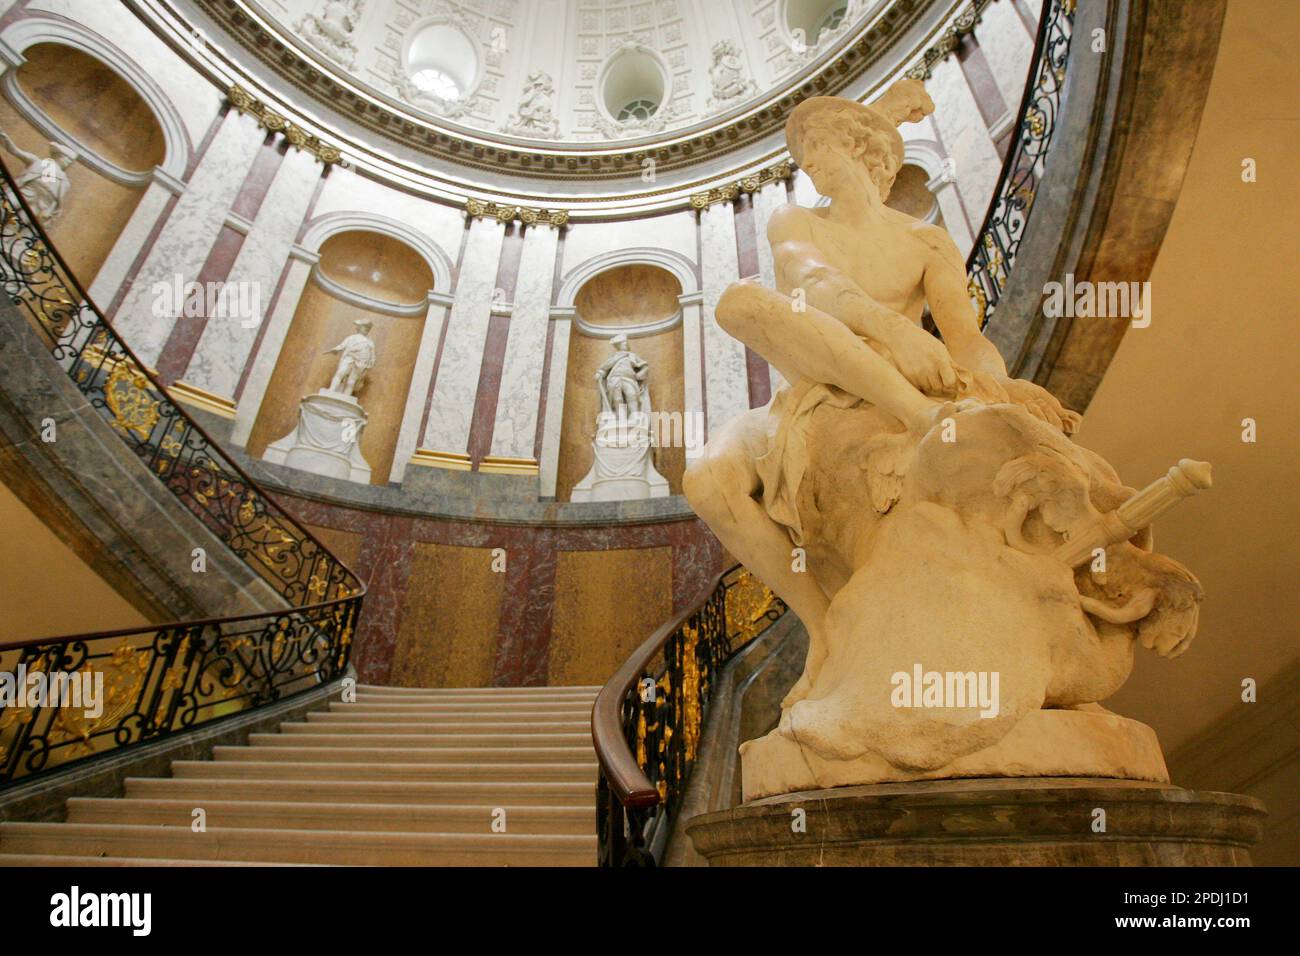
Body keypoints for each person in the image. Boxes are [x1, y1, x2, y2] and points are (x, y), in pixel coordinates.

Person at [683, 80, 1079, 704]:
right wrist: (894, 329)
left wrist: (1000, 384)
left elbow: (965, 338)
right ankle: (822, 623)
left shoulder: (925, 241)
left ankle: (917, 410)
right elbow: (810, 282)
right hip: (813, 375)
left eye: (818, 146)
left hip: (900, 374)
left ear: (865, 150)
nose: (807, 163)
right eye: (803, 153)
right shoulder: (796, 219)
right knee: (708, 473)